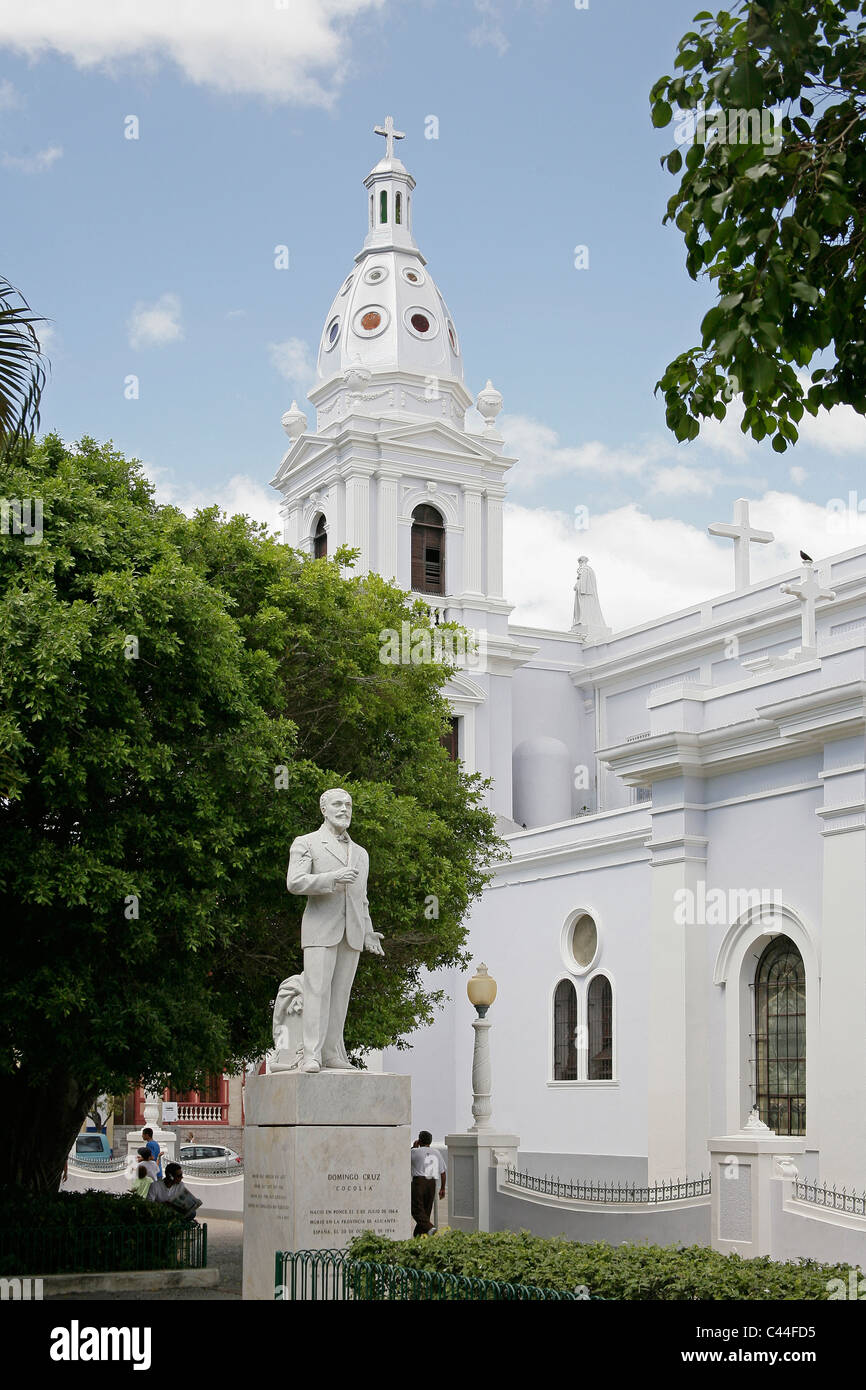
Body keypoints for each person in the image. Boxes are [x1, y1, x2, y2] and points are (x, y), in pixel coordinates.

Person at [286, 788, 384, 1073]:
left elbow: (361, 897)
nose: (344, 809)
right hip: (320, 929)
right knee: (316, 991)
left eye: (349, 805)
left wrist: (368, 931)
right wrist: (331, 878)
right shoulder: (307, 843)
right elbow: (295, 882)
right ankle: (311, 1055)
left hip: (351, 933)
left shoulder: (361, 854)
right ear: (324, 809)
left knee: (340, 994)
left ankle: (332, 1053)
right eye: (338, 804)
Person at [410, 1131, 446, 1237]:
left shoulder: (415, 1152)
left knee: (416, 1210)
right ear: (430, 1142)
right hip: (431, 1183)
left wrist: (413, 1147)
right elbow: (443, 1172)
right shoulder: (436, 1152)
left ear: (419, 1140)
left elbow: (404, 1158)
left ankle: (431, 1229)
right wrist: (442, 1188)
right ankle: (419, 1236)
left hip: (419, 1183)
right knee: (426, 1212)